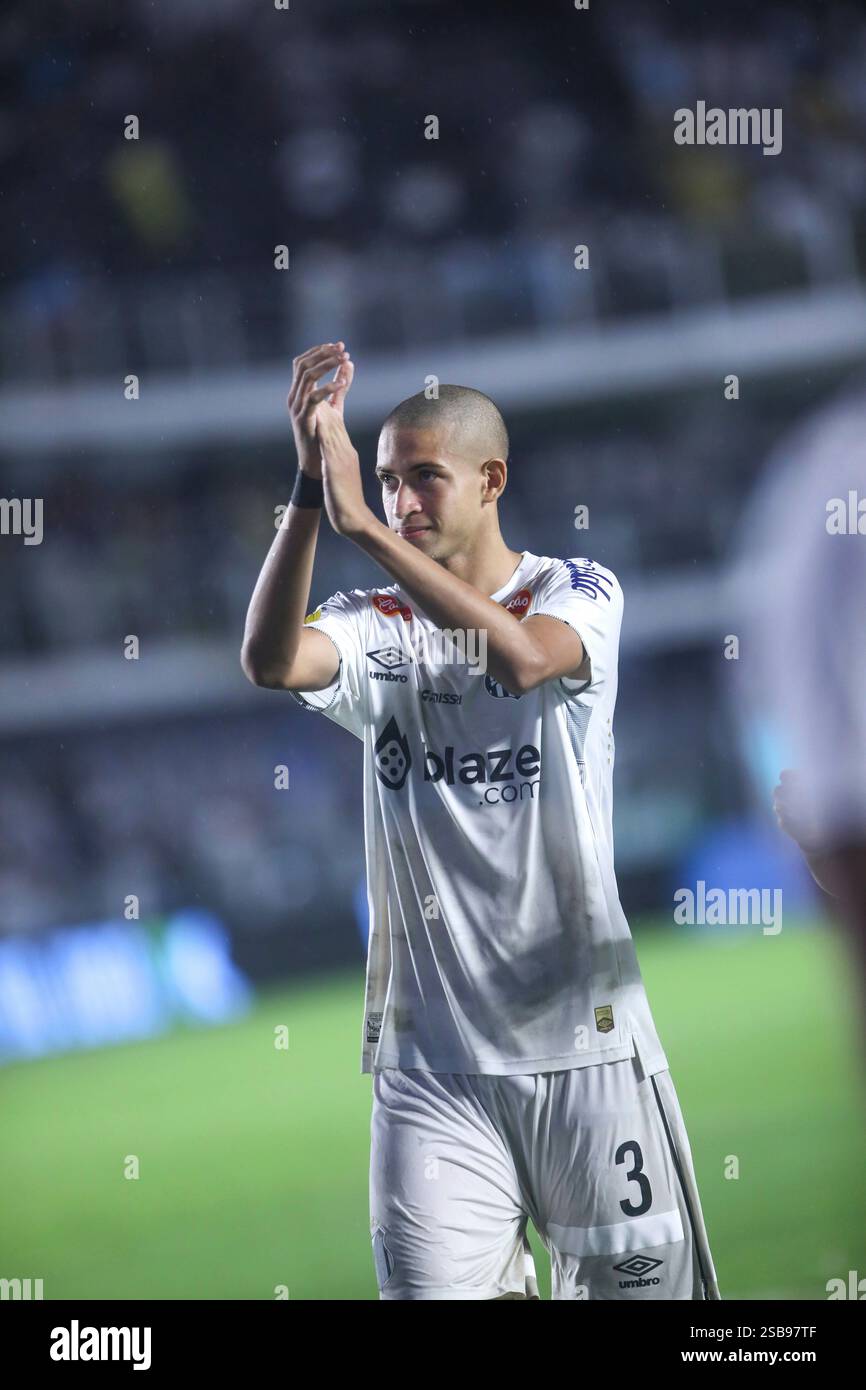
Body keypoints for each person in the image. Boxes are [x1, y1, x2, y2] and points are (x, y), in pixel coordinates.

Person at [241, 342, 721, 1300]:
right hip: (433, 1070)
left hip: (588, 1042)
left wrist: (364, 528)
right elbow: (270, 659)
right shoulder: (375, 622)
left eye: (424, 479)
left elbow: (521, 664)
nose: (403, 502)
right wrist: (309, 485)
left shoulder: (577, 591)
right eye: (385, 483)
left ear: (492, 478)